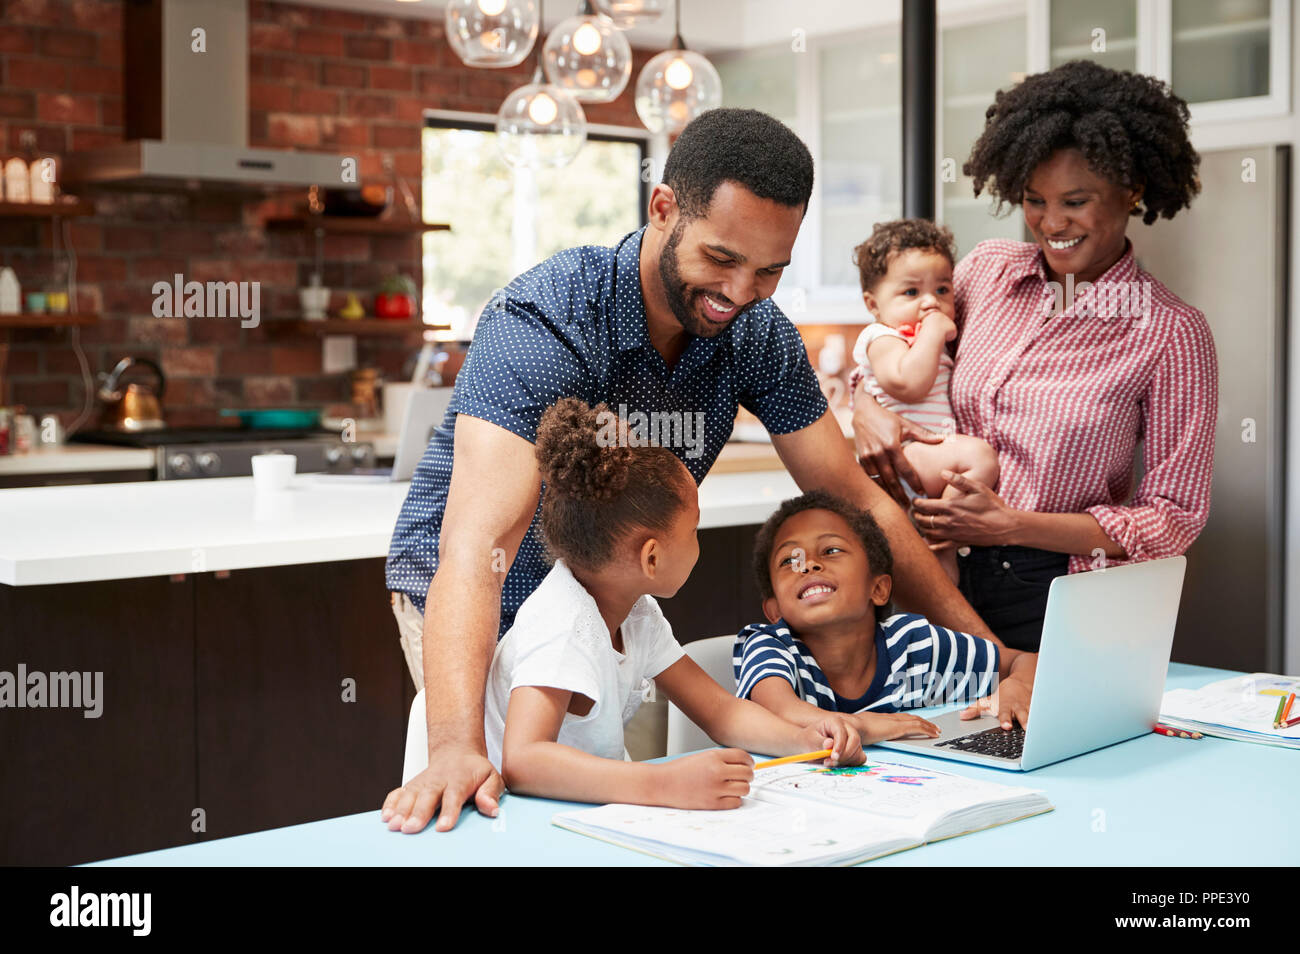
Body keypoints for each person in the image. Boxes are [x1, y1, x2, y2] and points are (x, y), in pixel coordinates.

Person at [382, 108, 1012, 836]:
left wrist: (998, 663)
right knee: (493, 800)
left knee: (600, 809)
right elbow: (476, 548)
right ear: (663, 209)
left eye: (769, 270)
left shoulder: (755, 335)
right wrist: (454, 749)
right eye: (721, 258)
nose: (740, 292)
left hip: (609, 599)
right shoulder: (549, 319)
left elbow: (855, 499)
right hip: (481, 596)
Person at [853, 60, 1217, 651]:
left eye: (1075, 201)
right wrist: (864, 407)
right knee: (933, 713)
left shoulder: (1171, 332)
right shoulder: (986, 271)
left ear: (1132, 190)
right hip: (928, 561)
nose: (1051, 222)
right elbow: (897, 347)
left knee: (1029, 715)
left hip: (1047, 586)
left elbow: (1171, 519)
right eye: (1034, 199)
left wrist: (1012, 525)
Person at [486, 399, 863, 809]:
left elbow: (721, 712)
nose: (698, 542)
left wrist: (804, 740)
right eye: (694, 529)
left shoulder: (637, 614)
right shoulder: (562, 621)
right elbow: (524, 762)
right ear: (651, 558)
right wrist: (662, 783)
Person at [734, 491, 1036, 735]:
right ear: (774, 610)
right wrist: (862, 725)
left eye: (831, 551)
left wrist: (1016, 685)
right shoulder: (770, 646)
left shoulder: (915, 646)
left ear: (878, 588)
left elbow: (1026, 661)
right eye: (790, 560)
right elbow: (780, 711)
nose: (809, 565)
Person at [846, 220, 999, 584]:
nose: (931, 302)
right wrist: (933, 330)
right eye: (911, 292)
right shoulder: (882, 337)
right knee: (980, 457)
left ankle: (938, 547)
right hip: (904, 454)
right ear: (873, 304)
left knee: (939, 577)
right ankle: (940, 522)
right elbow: (907, 384)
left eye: (942, 289)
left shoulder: (925, 341)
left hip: (926, 458)